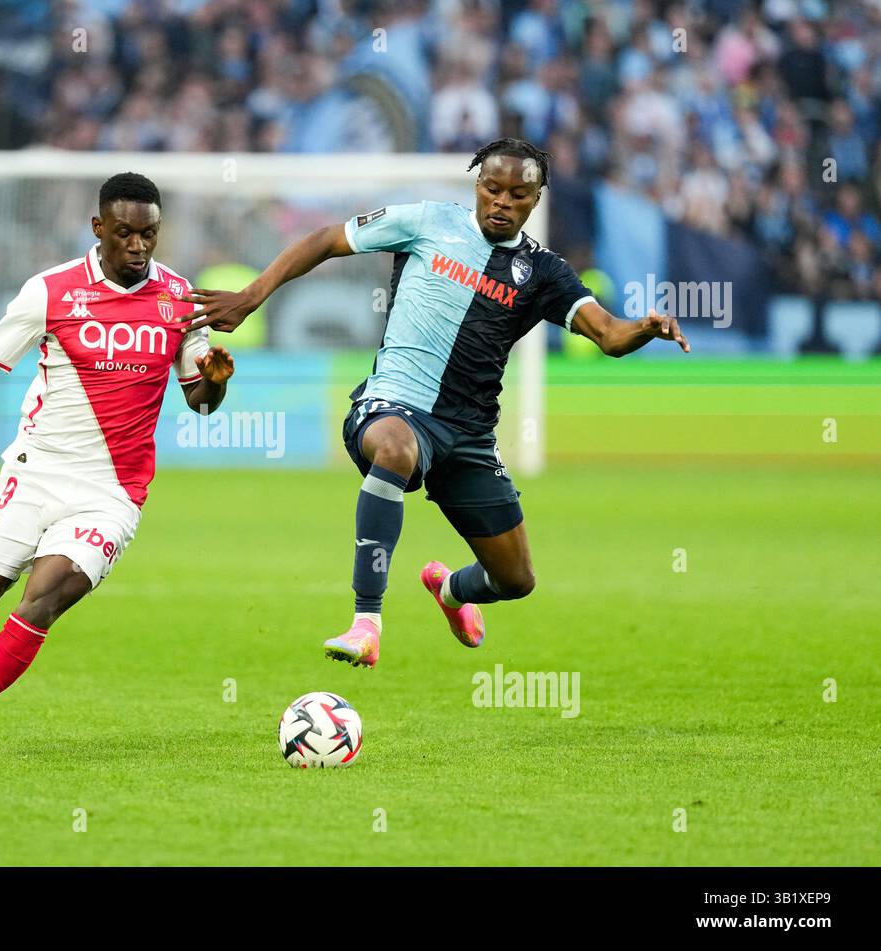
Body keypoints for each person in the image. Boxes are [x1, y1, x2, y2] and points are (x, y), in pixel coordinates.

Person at [182, 139, 687, 668]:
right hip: (391, 406)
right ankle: (366, 623)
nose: (501, 201)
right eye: (492, 188)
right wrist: (252, 294)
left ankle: (448, 592)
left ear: (536, 200)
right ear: (477, 185)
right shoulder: (426, 221)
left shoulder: (544, 273)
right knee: (395, 449)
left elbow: (607, 334)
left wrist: (645, 328)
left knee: (515, 580)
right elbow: (328, 239)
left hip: (467, 436)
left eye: (518, 194)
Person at [0, 173, 234, 756]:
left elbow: (199, 399)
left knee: (44, 599)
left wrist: (213, 383)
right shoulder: (50, 292)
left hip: (110, 495)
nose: (138, 246)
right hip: (32, 476)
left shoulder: (180, 300)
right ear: (98, 229)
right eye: (125, 234)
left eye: (150, 235)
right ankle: (9, 552)